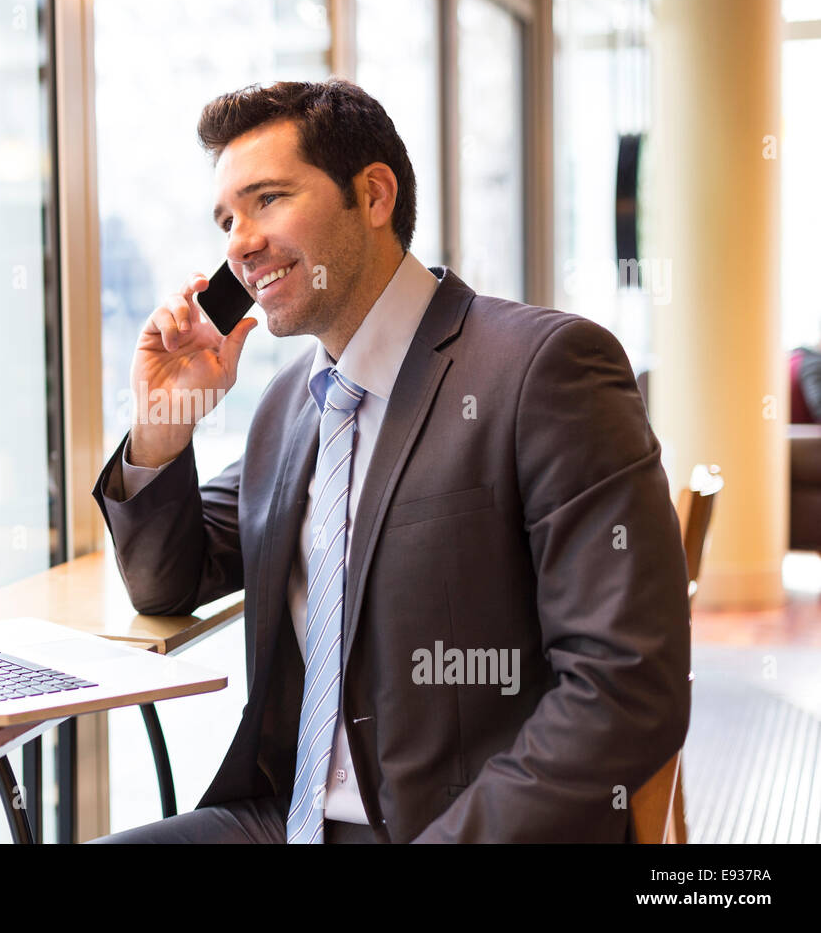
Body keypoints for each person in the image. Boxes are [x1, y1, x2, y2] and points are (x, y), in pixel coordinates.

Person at [89, 79, 691, 843]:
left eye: (267, 199)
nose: (238, 242)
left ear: (373, 195)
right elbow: (167, 580)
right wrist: (163, 419)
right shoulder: (292, 409)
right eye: (226, 219)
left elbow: (625, 689)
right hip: (285, 817)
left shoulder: (543, 369)